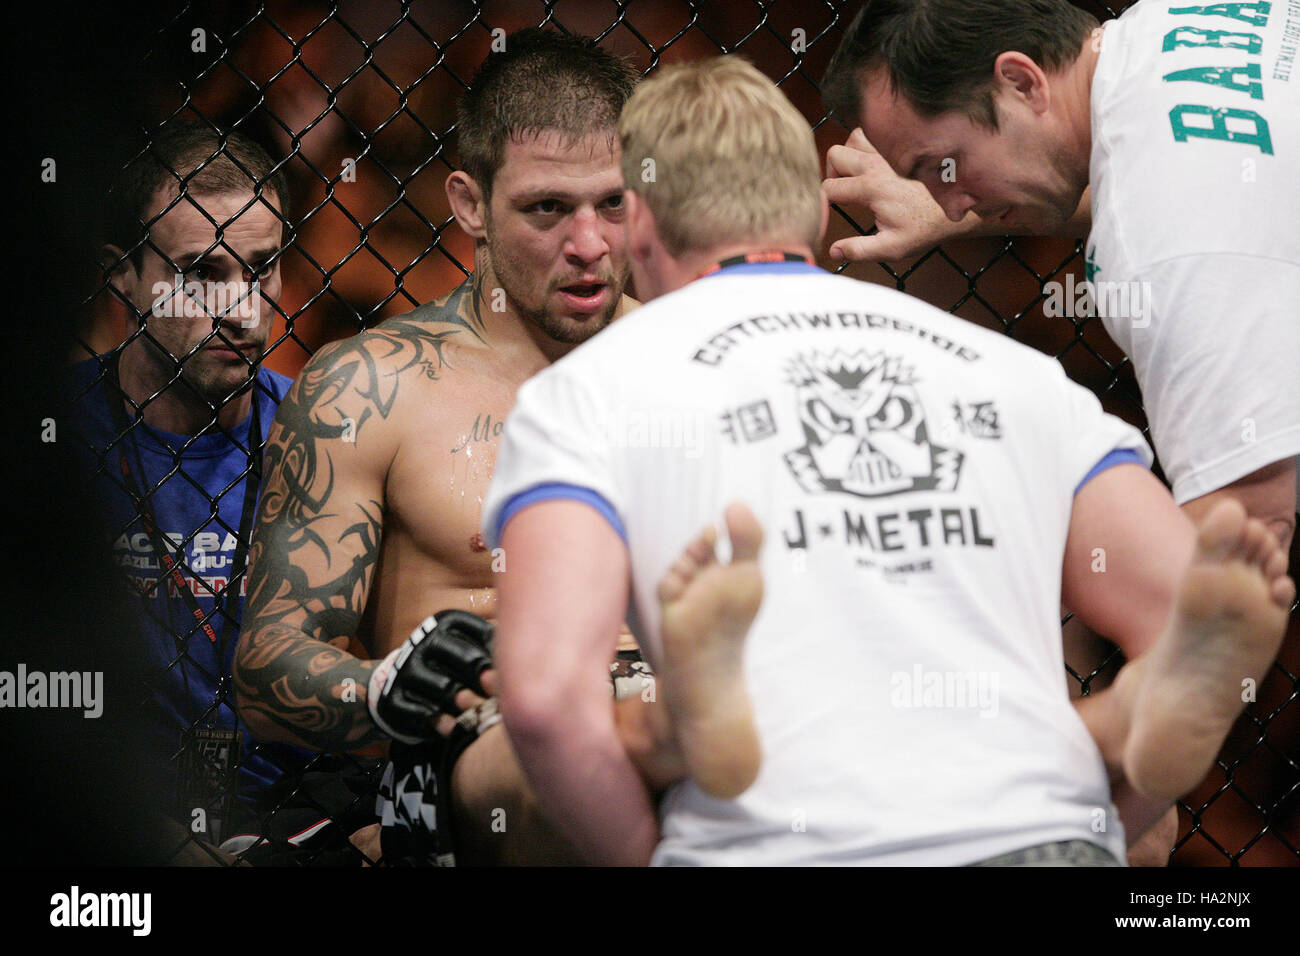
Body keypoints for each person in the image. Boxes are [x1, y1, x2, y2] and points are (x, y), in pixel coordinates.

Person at [481, 54, 1294, 865]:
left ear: (643, 226)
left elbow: (549, 701)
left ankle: (691, 723)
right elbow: (1183, 609)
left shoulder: (590, 392)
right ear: (814, 219)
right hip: (1032, 837)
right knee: (1135, 711)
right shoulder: (1011, 373)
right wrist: (1099, 826)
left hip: (776, 849)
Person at [232, 27, 645, 865]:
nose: (591, 244)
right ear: (468, 206)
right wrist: (387, 691)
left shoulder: (700, 372)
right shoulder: (372, 388)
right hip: (461, 773)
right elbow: (267, 663)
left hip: (679, 744)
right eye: (546, 209)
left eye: (614, 202)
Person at [819, 0, 1299, 556]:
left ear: (1023, 83)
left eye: (943, 166)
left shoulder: (1162, 250)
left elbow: (1247, 529)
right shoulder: (1177, 23)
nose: (949, 208)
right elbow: (1195, 181)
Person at [69, 121, 307, 851]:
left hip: (298, 814)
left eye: (260, 269)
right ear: (123, 277)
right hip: (98, 810)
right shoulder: (53, 436)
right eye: (201, 273)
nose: (242, 310)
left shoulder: (322, 431)